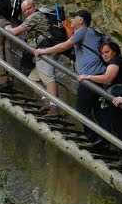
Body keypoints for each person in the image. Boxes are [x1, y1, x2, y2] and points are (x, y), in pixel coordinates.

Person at [35, 10, 106, 144]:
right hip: (97, 76)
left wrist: (42, 51)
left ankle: (94, 138)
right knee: (97, 111)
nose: (71, 20)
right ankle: (103, 140)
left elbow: (64, 46)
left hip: (90, 78)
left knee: (81, 110)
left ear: (81, 20)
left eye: (74, 18)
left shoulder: (83, 31)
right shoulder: (88, 33)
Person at [7, 0, 57, 113]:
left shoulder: (36, 16)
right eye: (24, 10)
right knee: (32, 79)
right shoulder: (37, 17)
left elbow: (16, 31)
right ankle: (47, 102)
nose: (27, 12)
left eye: (29, 8)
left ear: (34, 6)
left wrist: (8, 28)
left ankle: (54, 107)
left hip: (45, 51)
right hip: (41, 51)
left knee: (48, 78)